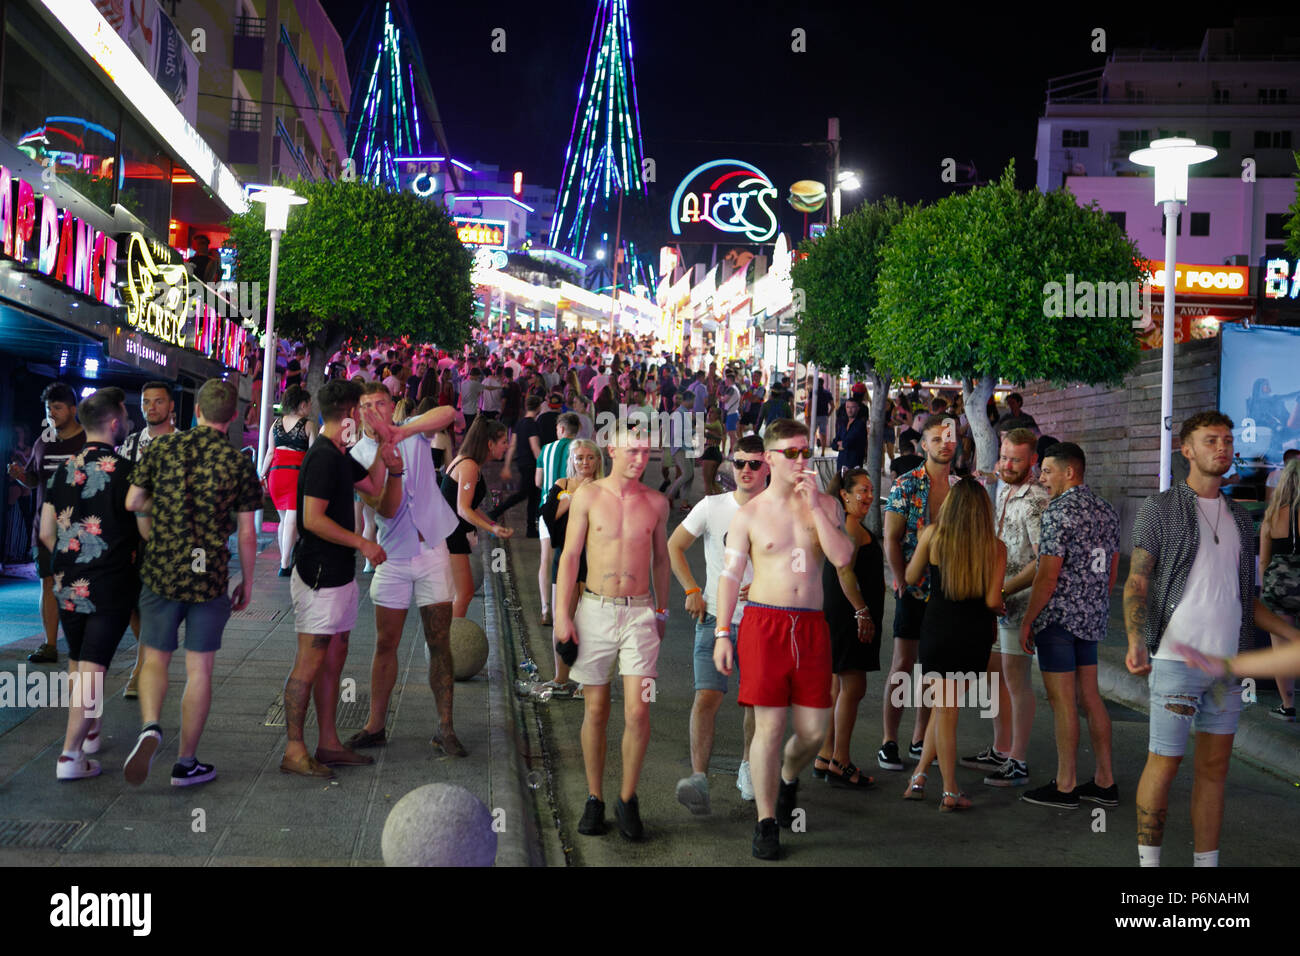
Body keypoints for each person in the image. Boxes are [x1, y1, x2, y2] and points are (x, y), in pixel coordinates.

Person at [1125, 411, 1300, 866]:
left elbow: (1247, 599)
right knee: (1164, 763)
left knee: (1215, 771)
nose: (1222, 448)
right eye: (1210, 441)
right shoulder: (1160, 508)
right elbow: (1137, 582)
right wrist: (1135, 639)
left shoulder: (1242, 521)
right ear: (1187, 450)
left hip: (1228, 665)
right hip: (1175, 659)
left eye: (1226, 440)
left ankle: (1208, 865)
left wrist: (1288, 631)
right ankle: (1149, 863)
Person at [714, 419, 854, 860]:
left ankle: (790, 775)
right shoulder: (750, 514)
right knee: (770, 727)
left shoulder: (826, 505)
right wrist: (721, 632)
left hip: (811, 626)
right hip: (764, 623)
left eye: (804, 451)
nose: (800, 460)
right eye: (790, 452)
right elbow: (731, 574)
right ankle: (766, 821)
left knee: (813, 732)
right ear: (771, 458)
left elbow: (843, 557)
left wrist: (814, 505)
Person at [123, 379, 261, 787]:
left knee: (154, 657)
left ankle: (150, 725)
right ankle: (186, 762)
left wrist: (161, 506)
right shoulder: (239, 463)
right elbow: (248, 532)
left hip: (162, 569)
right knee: (199, 669)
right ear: (233, 416)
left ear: (195, 410)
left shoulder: (162, 448)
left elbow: (132, 502)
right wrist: (247, 582)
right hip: (209, 576)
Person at [555, 424, 669, 842]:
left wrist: (662, 609)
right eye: (631, 450)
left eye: (645, 452)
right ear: (612, 448)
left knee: (638, 710)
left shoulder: (657, 502)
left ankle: (627, 797)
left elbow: (661, 560)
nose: (639, 459)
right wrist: (563, 616)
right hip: (595, 610)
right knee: (596, 710)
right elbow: (569, 557)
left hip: (638, 612)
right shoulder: (587, 495)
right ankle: (594, 797)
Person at [280, 379, 397, 778]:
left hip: (339, 575)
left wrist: (384, 444)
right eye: (361, 411)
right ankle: (294, 748)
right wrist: (362, 544)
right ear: (349, 415)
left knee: (333, 660)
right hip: (318, 575)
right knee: (310, 662)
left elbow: (376, 489)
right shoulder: (323, 458)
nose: (364, 417)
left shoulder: (339, 454)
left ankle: (328, 743)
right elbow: (312, 520)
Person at [348, 384, 464, 755]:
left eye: (379, 403)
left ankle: (445, 727)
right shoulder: (358, 454)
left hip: (432, 547)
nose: (372, 410)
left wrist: (402, 432)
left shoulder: (413, 428)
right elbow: (384, 508)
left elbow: (448, 413)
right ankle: (375, 724)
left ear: (392, 405)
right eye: (365, 405)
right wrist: (389, 463)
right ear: (357, 412)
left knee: (439, 641)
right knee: (386, 642)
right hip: (393, 556)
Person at [40, 388, 138, 780]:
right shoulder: (127, 470)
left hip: (66, 582)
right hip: (109, 583)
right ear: (115, 422)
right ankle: (69, 755)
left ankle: (91, 732)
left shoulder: (64, 469)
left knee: (80, 662)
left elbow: (47, 531)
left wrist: (71, 555)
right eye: (126, 416)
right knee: (93, 668)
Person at [1018, 442, 1119, 810]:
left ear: (1070, 472)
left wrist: (1028, 620)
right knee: (1090, 697)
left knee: (1063, 702)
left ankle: (1066, 784)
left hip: (1059, 619)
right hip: (1091, 616)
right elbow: (1110, 573)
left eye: (1047, 471)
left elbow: (1046, 576)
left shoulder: (1058, 512)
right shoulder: (1106, 510)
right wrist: (1093, 602)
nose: (1042, 478)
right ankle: (1105, 781)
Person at [669, 435, 766, 813]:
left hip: (762, 621)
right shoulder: (711, 507)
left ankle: (748, 769)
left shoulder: (777, 511)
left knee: (756, 703)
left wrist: (764, 584)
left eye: (753, 464)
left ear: (766, 467)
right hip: (714, 619)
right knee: (706, 697)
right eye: (739, 463)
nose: (745, 470)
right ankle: (700, 780)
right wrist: (692, 588)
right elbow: (673, 546)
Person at [902, 477, 1006, 810]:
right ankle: (942, 786)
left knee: (943, 710)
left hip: (937, 630)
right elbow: (992, 599)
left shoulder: (933, 536)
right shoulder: (995, 547)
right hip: (973, 636)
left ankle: (938, 784)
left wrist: (921, 543)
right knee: (945, 710)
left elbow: (909, 577)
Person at [880, 416, 957, 770]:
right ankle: (889, 740)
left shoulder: (961, 489)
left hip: (948, 590)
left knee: (933, 669)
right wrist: (899, 580)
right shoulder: (906, 484)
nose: (945, 443)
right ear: (924, 445)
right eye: (937, 438)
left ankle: (919, 738)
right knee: (902, 665)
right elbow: (891, 538)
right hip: (913, 586)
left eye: (950, 438)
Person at [975, 429, 1049, 787]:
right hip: (998, 601)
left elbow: (1042, 561)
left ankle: (1018, 760)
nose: (1006, 464)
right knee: (992, 673)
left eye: (1015, 459)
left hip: (1018, 605)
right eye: (1003, 457)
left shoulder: (1036, 499)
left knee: (1017, 682)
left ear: (1032, 461)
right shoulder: (1005, 489)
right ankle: (1001, 747)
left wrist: (1004, 589)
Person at [813, 469, 884, 790]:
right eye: (862, 491)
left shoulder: (842, 525)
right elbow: (844, 573)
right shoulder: (850, 529)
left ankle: (826, 755)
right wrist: (862, 611)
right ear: (844, 495)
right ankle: (840, 760)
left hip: (839, 614)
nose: (868, 496)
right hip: (847, 615)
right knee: (853, 687)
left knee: (838, 686)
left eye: (871, 491)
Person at [8, 382, 86, 664]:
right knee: (49, 584)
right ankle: (50, 644)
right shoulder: (43, 443)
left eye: (57, 407)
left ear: (73, 409)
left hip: (80, 528)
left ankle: (82, 643)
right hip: (45, 528)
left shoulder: (87, 442)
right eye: (48, 408)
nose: (52, 413)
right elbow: (33, 479)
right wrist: (20, 475)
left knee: (79, 585)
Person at [116, 382, 177, 699]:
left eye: (158, 401)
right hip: (133, 536)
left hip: (170, 537)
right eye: (146, 402)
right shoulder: (129, 445)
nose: (151, 407)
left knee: (156, 607)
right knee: (132, 605)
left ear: (171, 407)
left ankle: (141, 670)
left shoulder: (183, 445)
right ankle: (146, 660)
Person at [539, 438, 603, 697]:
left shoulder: (605, 487)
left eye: (589, 457)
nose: (584, 462)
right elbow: (548, 515)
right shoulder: (562, 485)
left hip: (595, 559)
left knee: (589, 621)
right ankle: (561, 678)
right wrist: (576, 495)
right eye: (579, 458)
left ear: (598, 460)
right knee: (561, 617)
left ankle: (587, 681)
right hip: (565, 556)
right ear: (572, 462)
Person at [441, 418, 513, 619]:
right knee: (464, 593)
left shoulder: (469, 462)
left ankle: (449, 640)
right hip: (450, 535)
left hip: (450, 532)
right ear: (489, 444)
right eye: (503, 442)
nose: (507, 447)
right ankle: (450, 643)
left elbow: (470, 507)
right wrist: (493, 530)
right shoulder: (469, 466)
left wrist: (492, 524)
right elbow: (463, 509)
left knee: (460, 593)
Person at [258, 386, 317, 578]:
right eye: (308, 404)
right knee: (292, 519)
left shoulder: (275, 424)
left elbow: (270, 452)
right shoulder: (308, 425)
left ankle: (285, 558)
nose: (310, 407)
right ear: (302, 405)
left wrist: (261, 475)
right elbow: (313, 455)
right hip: (296, 474)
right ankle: (284, 564)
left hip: (276, 474)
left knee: (284, 519)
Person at [1259, 457, 1300, 719]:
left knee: (1281, 649)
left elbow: (1264, 560)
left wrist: (1267, 589)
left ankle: (1288, 706)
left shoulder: (1272, 515)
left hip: (1279, 586)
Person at [536, 412, 579, 633]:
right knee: (568, 557)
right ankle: (567, 607)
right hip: (573, 509)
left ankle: (545, 609)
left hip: (547, 508)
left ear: (561, 429)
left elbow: (538, 481)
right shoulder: (580, 450)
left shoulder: (546, 449)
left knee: (546, 558)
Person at [490, 393, 543, 537]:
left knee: (532, 495)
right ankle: (495, 512)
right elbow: (534, 447)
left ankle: (531, 529)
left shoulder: (520, 423)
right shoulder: (533, 424)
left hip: (521, 463)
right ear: (538, 408)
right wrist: (543, 464)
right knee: (525, 494)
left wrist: (507, 465)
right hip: (531, 464)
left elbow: (512, 445)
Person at [831, 397, 867, 473]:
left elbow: (848, 443)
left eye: (853, 407)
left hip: (854, 464)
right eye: (848, 407)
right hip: (841, 463)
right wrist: (839, 445)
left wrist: (842, 444)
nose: (850, 410)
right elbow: (834, 443)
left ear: (858, 408)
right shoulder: (843, 425)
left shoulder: (860, 425)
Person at [721, 371, 742, 455]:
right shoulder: (735, 388)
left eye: (726, 379)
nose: (725, 381)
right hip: (732, 413)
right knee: (731, 434)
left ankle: (734, 453)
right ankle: (732, 452)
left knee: (732, 435)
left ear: (729, 380)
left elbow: (724, 399)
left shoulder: (731, 389)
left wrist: (721, 397)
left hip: (731, 413)